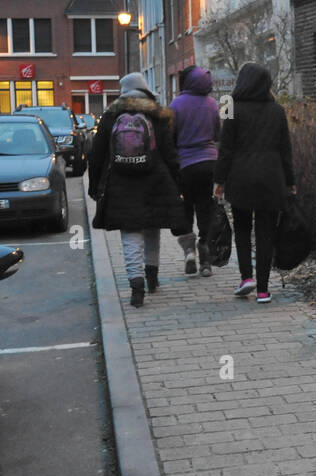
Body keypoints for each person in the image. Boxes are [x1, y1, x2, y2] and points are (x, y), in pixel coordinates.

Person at [88, 72, 185, 307]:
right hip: (155, 180)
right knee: (152, 228)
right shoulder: (157, 114)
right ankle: (152, 277)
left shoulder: (111, 116)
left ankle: (136, 287)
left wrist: (94, 186)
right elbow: (171, 154)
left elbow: (96, 154)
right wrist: (179, 184)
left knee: (130, 235)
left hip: (120, 182)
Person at [213, 63, 295, 304]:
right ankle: (262, 290)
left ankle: (246, 277)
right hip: (271, 179)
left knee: (241, 228)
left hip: (240, 179)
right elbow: (285, 150)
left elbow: (225, 149)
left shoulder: (230, 107)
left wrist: (219, 180)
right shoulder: (277, 111)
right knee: (265, 234)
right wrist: (291, 181)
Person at [169, 65, 222, 277]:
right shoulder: (212, 104)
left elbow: (170, 136)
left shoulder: (176, 104)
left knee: (185, 207)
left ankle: (189, 250)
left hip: (185, 165)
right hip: (210, 164)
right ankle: (206, 257)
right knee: (206, 208)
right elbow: (218, 134)